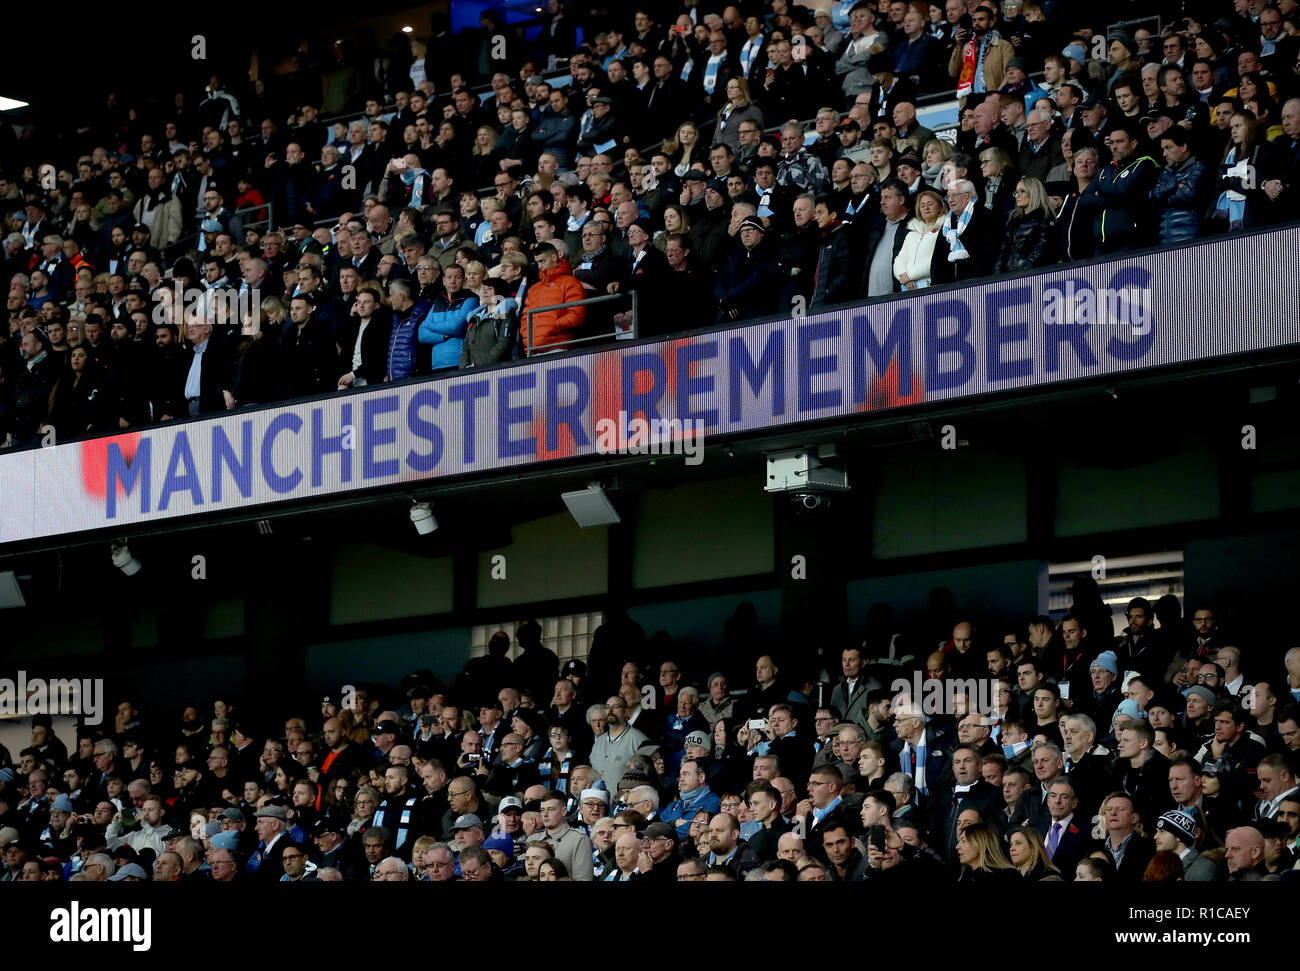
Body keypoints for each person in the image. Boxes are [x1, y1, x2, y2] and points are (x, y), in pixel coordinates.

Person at [995, 176, 1054, 272]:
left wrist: (1021, 274)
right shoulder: (1014, 220)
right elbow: (1004, 252)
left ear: (1033, 192)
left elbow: (1041, 250)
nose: (1017, 195)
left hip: (1032, 275)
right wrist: (998, 275)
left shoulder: (1044, 218)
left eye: (1022, 191)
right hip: (1010, 275)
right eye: (1016, 192)